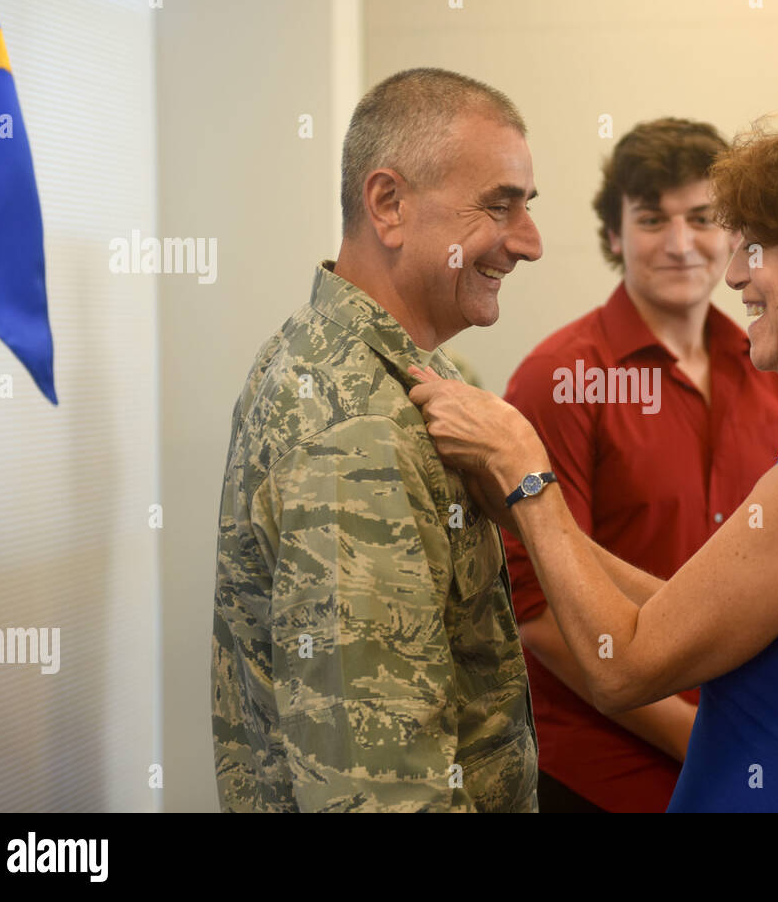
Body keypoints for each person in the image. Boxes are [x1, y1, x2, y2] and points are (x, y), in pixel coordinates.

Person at [408, 115, 778, 812]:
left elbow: (622, 667)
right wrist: (530, 513)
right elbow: (693, 609)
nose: (732, 272)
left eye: (760, 248)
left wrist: (529, 479)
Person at [211, 68, 543, 812]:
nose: (530, 242)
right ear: (389, 204)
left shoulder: (401, 371)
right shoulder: (355, 428)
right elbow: (379, 793)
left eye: (528, 207)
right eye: (499, 206)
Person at [502, 118, 778, 813]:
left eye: (702, 218)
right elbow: (537, 609)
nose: (680, 243)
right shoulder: (561, 377)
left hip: (742, 754)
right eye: (651, 219)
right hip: (600, 773)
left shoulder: (774, 372)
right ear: (614, 235)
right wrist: (699, 738)